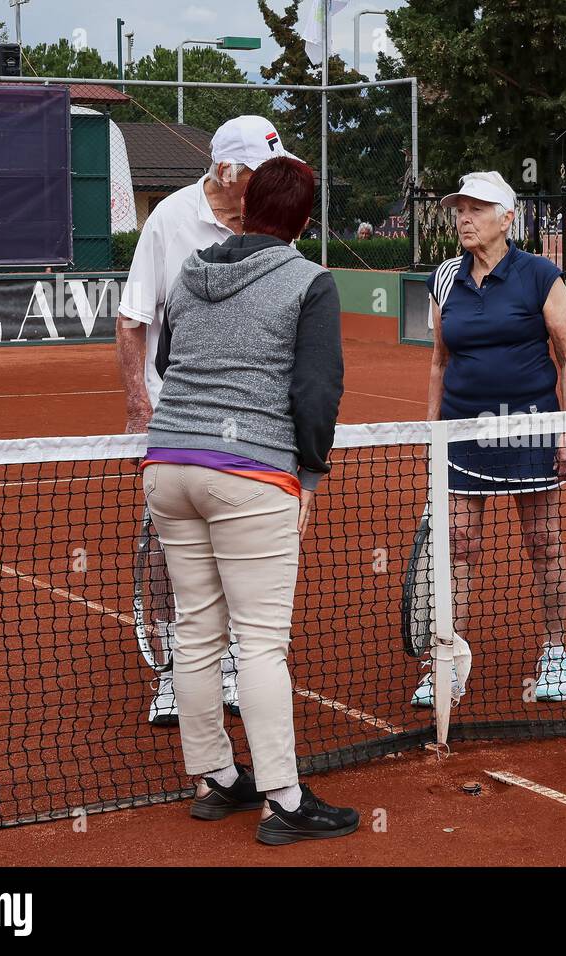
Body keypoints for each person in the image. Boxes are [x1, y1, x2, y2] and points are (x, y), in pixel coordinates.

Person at [141, 155, 358, 844]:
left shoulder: (192, 271)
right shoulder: (308, 281)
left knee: (198, 631)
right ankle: (285, 801)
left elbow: (170, 363)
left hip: (168, 463)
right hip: (249, 473)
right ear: (303, 219)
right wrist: (310, 475)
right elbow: (317, 392)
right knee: (261, 644)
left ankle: (215, 779)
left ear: (244, 205)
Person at [117, 115, 288, 726]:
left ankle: (240, 662)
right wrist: (141, 410)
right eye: (260, 173)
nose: (273, 184)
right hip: (176, 420)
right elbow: (133, 318)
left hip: (251, 421)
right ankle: (176, 670)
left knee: (244, 548)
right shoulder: (168, 220)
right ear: (225, 171)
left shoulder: (274, 224)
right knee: (170, 549)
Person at [416, 171, 566, 707]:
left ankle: (555, 651)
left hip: (531, 428)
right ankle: (446, 659)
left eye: (478, 209)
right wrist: (432, 433)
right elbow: (440, 361)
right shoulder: (444, 278)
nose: (465, 218)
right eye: (460, 209)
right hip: (464, 431)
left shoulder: (539, 275)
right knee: (459, 544)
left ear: (507, 218)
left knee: (543, 541)